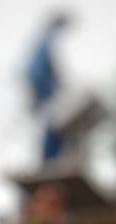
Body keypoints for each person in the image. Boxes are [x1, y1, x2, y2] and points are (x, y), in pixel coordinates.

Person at [25, 12, 73, 163]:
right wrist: (60, 82)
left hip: (42, 91)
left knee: (50, 126)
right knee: (53, 126)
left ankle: (50, 160)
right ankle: (49, 160)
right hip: (43, 90)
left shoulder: (43, 40)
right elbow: (48, 65)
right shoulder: (47, 40)